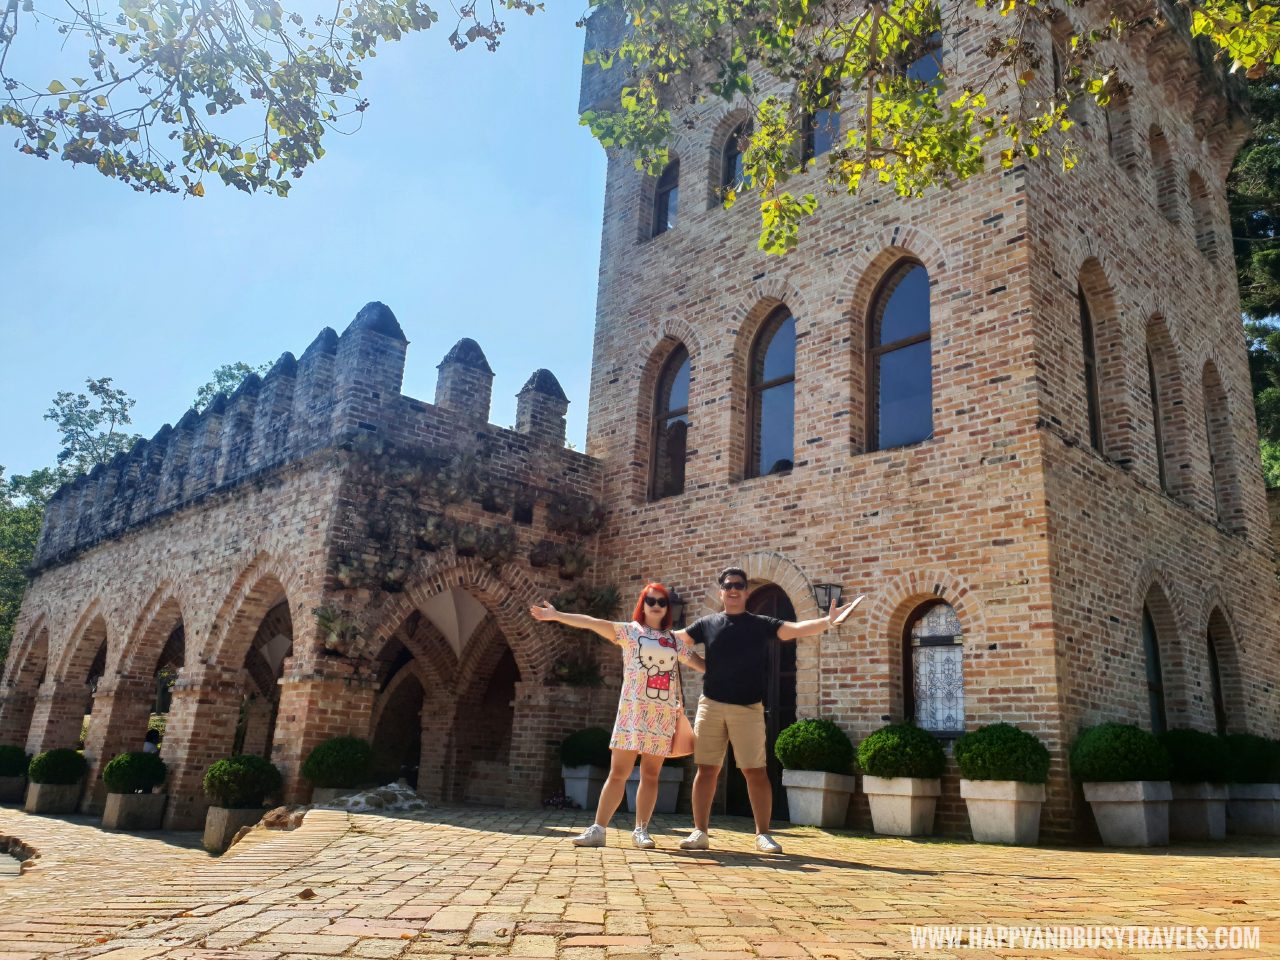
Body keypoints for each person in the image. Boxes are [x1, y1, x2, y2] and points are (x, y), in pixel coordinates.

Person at [675, 567, 862, 854]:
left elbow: (795, 629)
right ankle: (700, 832)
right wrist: (695, 662)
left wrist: (828, 621)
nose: (733, 589)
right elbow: (672, 641)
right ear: (721, 591)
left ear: (746, 591)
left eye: (739, 585)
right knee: (707, 769)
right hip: (710, 705)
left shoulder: (760, 623)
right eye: (728, 585)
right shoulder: (707, 623)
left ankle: (763, 834)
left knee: (755, 771)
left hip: (748, 708)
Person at [530, 583, 705, 848]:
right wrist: (557, 615)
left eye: (662, 602)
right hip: (631, 715)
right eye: (651, 601)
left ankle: (641, 830)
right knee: (618, 773)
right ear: (642, 604)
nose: (656, 606)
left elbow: (702, 665)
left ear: (667, 608)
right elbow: (592, 622)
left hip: (661, 717)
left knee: (650, 775)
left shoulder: (673, 641)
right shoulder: (629, 631)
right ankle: (598, 829)